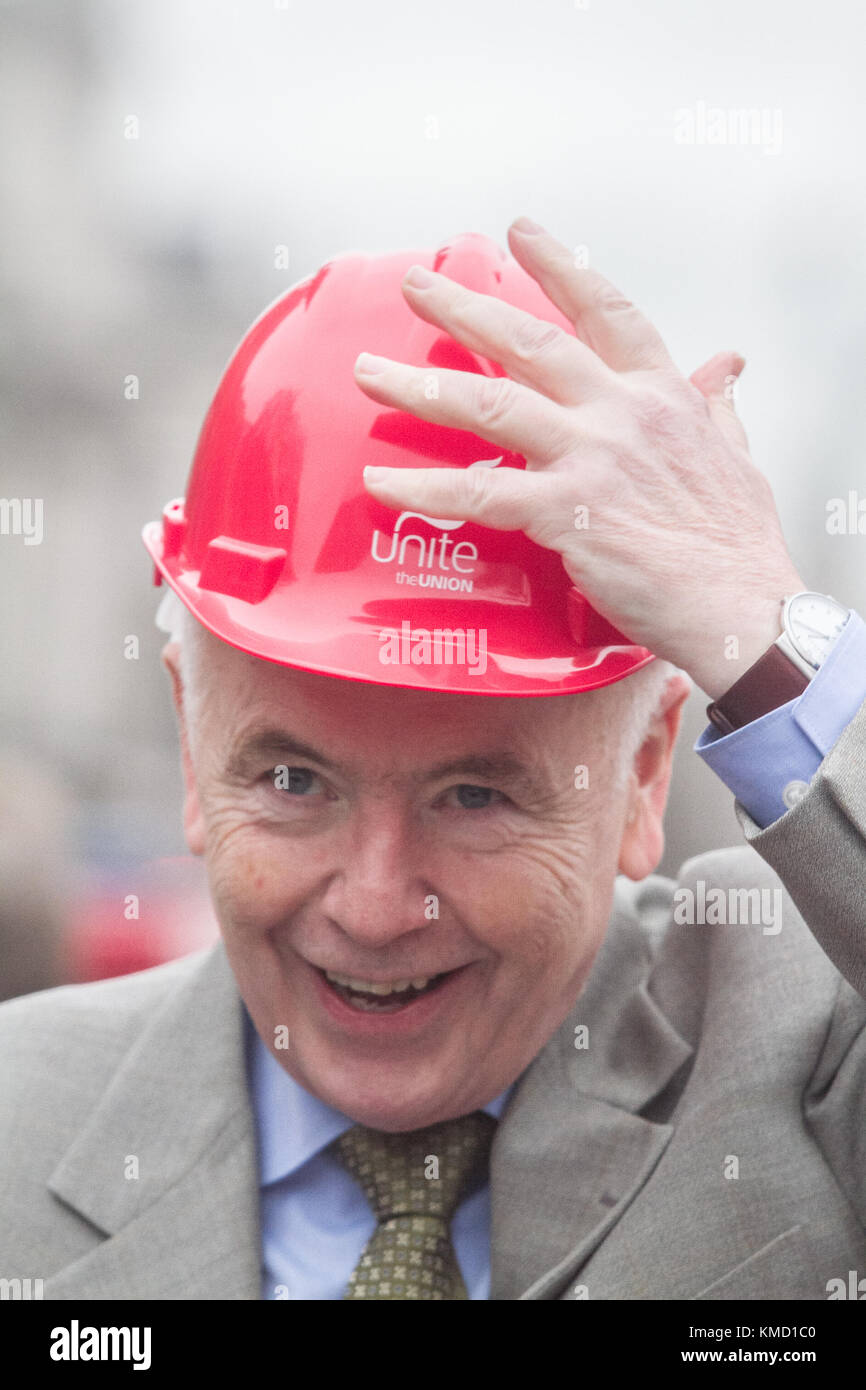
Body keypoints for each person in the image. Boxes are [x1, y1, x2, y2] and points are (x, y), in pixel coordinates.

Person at [2, 219, 865, 1301]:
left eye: (474, 796)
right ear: (191, 744)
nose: (374, 909)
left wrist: (768, 636)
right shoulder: (17, 1124)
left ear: (644, 774)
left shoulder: (807, 1055)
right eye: (292, 782)